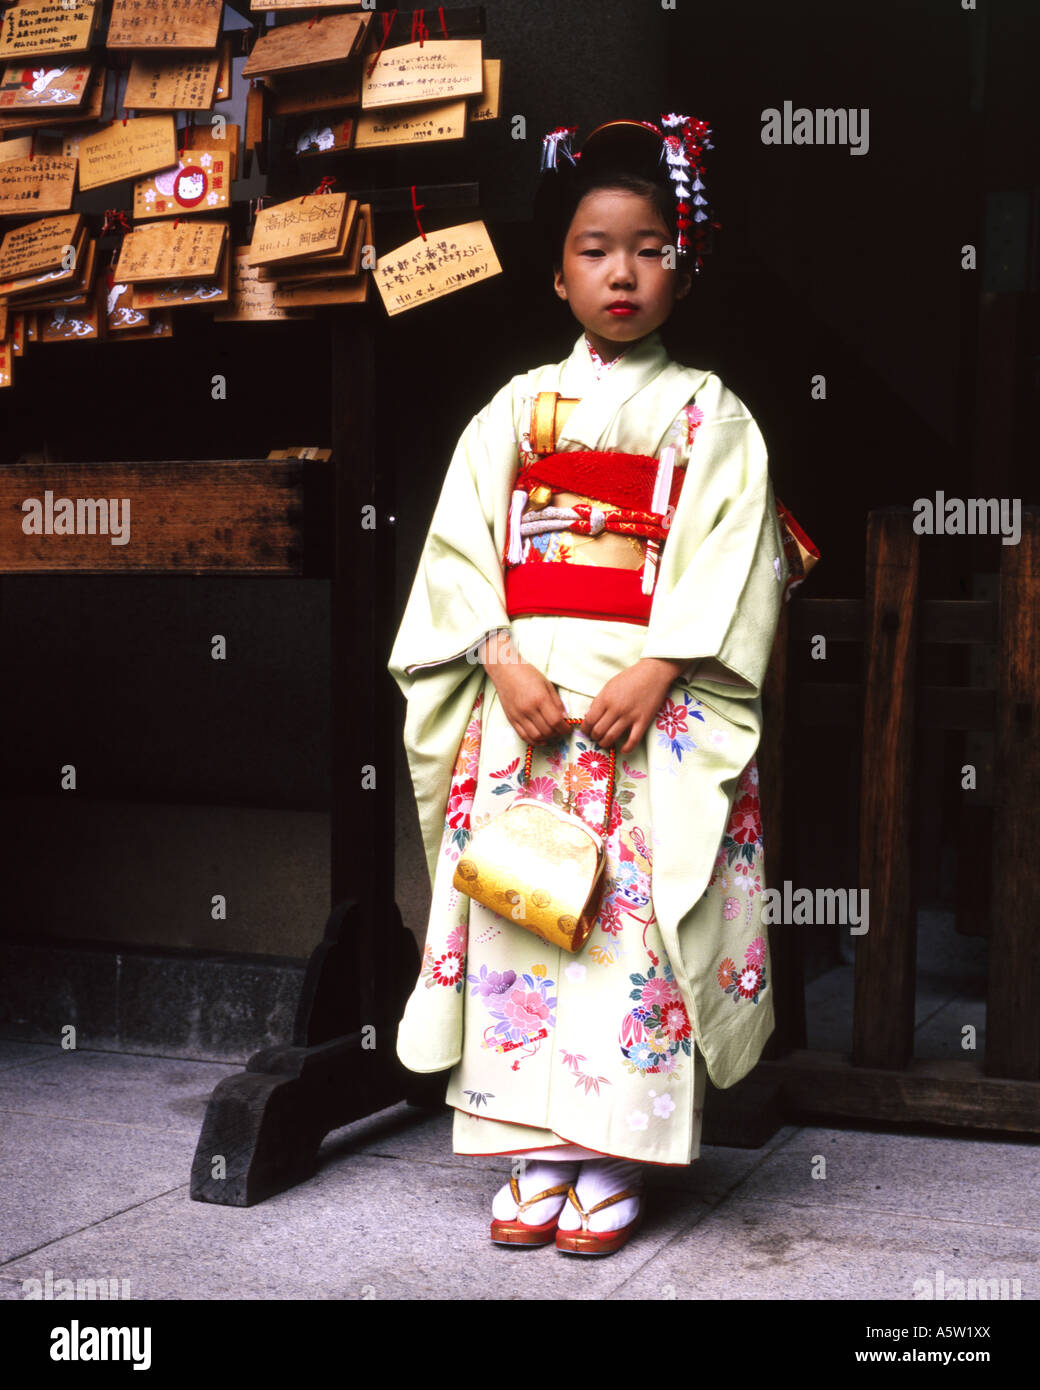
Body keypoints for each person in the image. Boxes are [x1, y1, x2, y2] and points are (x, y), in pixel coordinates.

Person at [387, 115, 817, 1257]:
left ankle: (616, 1145)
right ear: (556, 270)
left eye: (647, 246)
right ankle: (533, 1143)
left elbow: (731, 555)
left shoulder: (709, 413)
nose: (620, 271)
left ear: (684, 263)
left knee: (629, 923)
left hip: (646, 702)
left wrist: (662, 661)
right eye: (592, 247)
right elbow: (457, 548)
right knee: (525, 905)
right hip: (524, 701)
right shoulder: (513, 409)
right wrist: (500, 655)